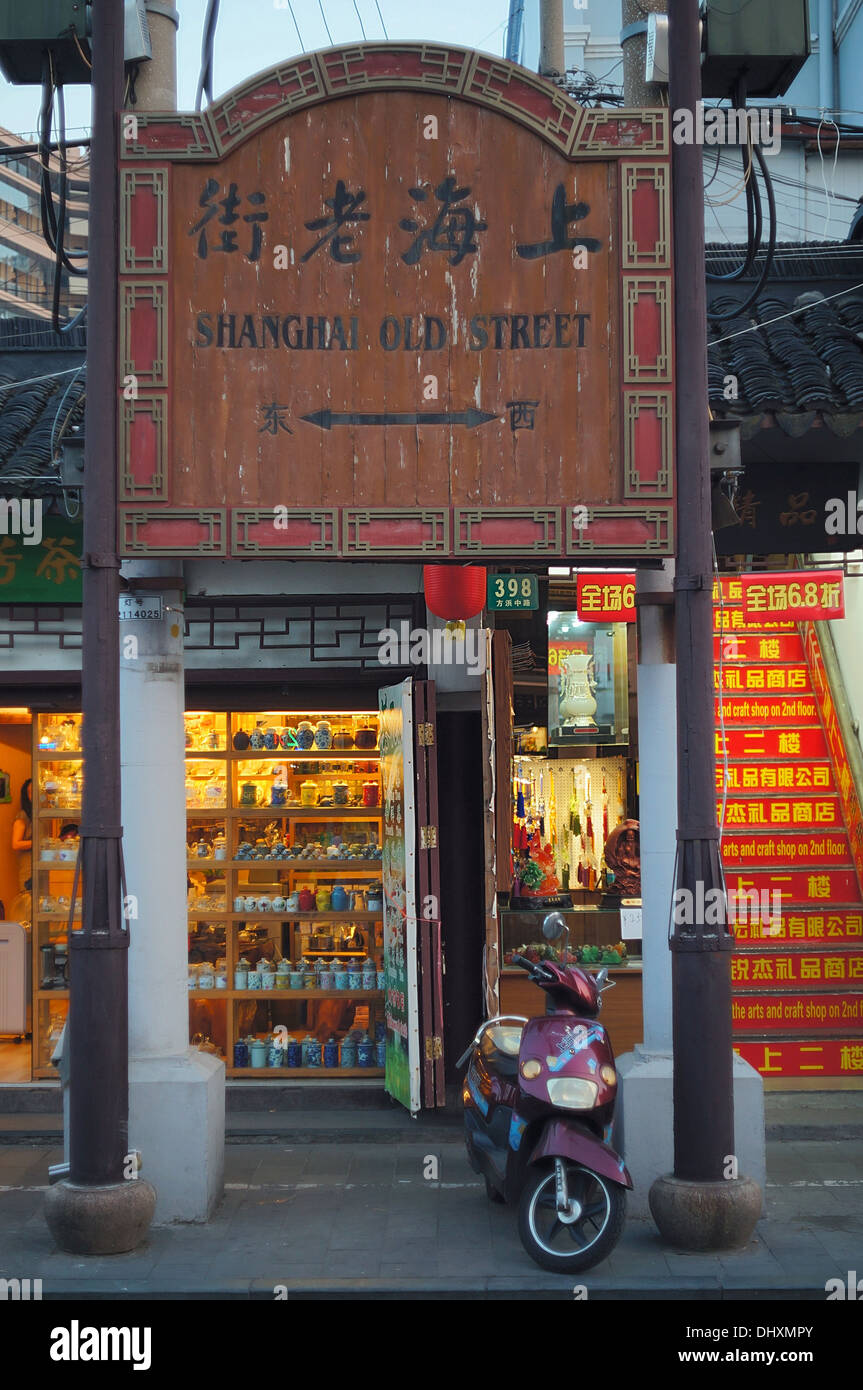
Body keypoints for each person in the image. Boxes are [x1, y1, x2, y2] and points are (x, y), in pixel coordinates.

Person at [11, 779, 33, 894]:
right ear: (26, 796)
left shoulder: (40, 815)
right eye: (31, 792)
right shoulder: (23, 816)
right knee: (28, 903)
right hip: (28, 868)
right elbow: (15, 844)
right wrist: (37, 843)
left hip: (40, 866)